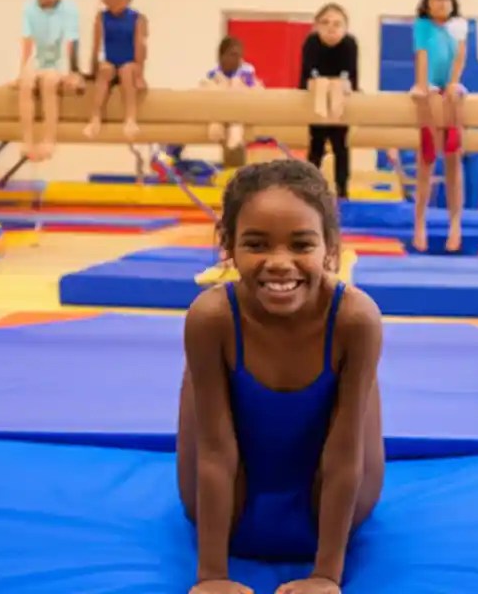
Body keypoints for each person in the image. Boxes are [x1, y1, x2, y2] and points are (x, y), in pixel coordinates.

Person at [178, 159, 385, 594]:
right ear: (228, 248)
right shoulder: (211, 318)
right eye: (256, 244)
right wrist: (212, 575)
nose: (279, 263)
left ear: (330, 249)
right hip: (227, 512)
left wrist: (327, 574)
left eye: (300, 245)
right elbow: (214, 451)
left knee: (363, 387)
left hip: (332, 509)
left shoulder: (355, 319)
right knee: (196, 374)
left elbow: (347, 452)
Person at [410, 0, 469, 252]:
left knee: (454, 161)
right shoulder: (421, 26)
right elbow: (422, 57)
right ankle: (419, 223)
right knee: (427, 158)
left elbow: (460, 58)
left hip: (452, 87)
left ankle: (455, 225)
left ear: (453, 4)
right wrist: (423, 85)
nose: (441, 4)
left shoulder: (459, 25)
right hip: (429, 84)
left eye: (446, 0)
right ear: (428, 2)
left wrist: (453, 83)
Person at [15, 0, 82, 161]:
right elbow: (27, 42)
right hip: (40, 60)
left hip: (59, 61)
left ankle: (49, 139)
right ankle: (26, 139)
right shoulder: (29, 8)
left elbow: (71, 43)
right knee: (27, 82)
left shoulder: (69, 9)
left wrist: (72, 73)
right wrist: (22, 72)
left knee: (49, 81)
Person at [300, 4, 359, 200]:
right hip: (315, 97)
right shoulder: (311, 43)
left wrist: (342, 87)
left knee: (340, 146)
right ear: (316, 26)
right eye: (325, 23)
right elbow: (308, 73)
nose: (331, 28)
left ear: (345, 27)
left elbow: (350, 75)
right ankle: (309, 189)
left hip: (341, 100)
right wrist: (318, 85)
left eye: (337, 24)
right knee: (316, 145)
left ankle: (342, 190)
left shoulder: (350, 44)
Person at [85, 0, 148, 141]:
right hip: (111, 64)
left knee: (126, 71)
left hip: (130, 65)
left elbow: (140, 48)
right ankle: (95, 118)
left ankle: (130, 118)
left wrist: (140, 75)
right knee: (105, 70)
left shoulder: (137, 19)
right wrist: (93, 71)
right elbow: (96, 47)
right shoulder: (101, 18)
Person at [201, 36, 263, 164]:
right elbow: (206, 101)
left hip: (239, 120)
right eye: (232, 55)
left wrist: (251, 84)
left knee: (235, 130)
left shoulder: (246, 78)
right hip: (218, 118)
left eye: (239, 56)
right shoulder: (211, 79)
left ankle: (235, 165)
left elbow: (262, 98)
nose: (237, 60)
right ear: (221, 57)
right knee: (218, 129)